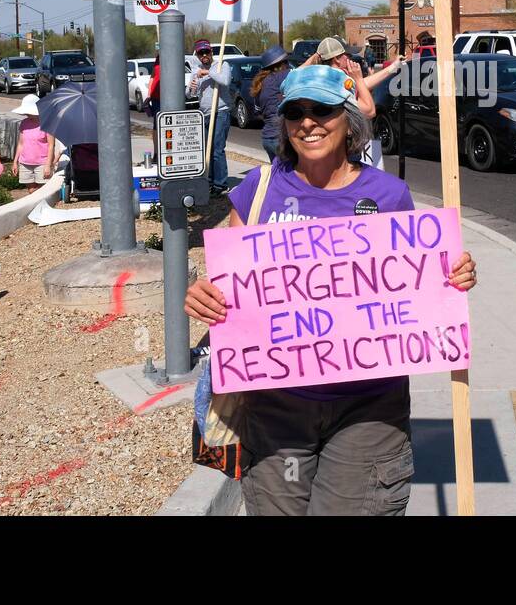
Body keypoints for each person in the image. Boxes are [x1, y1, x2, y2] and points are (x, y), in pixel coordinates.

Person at [184, 64, 477, 516]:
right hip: (276, 405)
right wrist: (202, 297)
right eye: (295, 112)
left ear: (348, 119)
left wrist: (455, 276)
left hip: (369, 410)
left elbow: (424, 280)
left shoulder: (388, 195)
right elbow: (229, 292)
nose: (307, 122)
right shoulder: (256, 192)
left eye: (322, 110)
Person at [301, 36, 402, 166]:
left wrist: (391, 68)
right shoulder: (337, 82)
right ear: (337, 59)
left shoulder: (325, 77)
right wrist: (358, 78)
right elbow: (369, 110)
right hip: (345, 148)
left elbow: (363, 85)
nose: (350, 59)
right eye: (347, 55)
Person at [192, 39, 233, 196]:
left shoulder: (222, 65)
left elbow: (225, 80)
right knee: (206, 151)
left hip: (221, 111)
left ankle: (221, 185)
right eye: (200, 53)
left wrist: (208, 73)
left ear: (211, 52)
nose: (204, 55)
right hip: (205, 113)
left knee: (217, 149)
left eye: (206, 52)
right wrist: (192, 88)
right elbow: (191, 94)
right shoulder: (197, 70)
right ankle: (208, 181)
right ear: (197, 55)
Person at [251, 45, 289, 162]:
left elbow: (258, 112)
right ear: (280, 64)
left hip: (267, 138)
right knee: (289, 175)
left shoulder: (260, 83)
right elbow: (300, 71)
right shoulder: (280, 76)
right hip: (280, 139)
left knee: (277, 173)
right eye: (286, 62)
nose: (288, 65)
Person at [11, 95, 57, 192]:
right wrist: (15, 161)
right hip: (25, 162)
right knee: (31, 190)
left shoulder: (47, 124)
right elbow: (21, 144)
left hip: (42, 163)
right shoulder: (24, 123)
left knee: (43, 190)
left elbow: (51, 145)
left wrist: (48, 165)